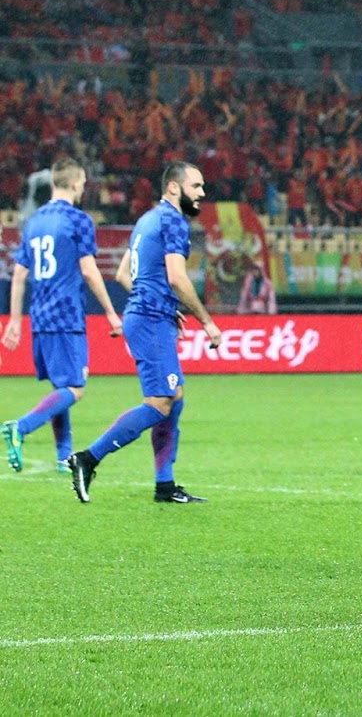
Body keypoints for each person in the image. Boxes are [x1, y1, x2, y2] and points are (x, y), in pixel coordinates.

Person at [67, 162, 221, 505]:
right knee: (159, 402)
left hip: (150, 315)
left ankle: (165, 486)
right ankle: (87, 459)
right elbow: (178, 278)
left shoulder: (148, 219)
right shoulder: (173, 221)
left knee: (174, 397)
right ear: (173, 189)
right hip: (150, 320)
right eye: (196, 186)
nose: (202, 193)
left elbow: (124, 273)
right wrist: (206, 321)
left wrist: (164, 305)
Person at [3, 159, 124, 474]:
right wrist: (111, 311)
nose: (83, 188)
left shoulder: (34, 221)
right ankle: (22, 427)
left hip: (39, 315)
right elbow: (88, 269)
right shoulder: (78, 220)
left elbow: (19, 275)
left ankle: (63, 455)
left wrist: (15, 321)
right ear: (73, 183)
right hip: (66, 314)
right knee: (75, 388)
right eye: (82, 183)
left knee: (61, 386)